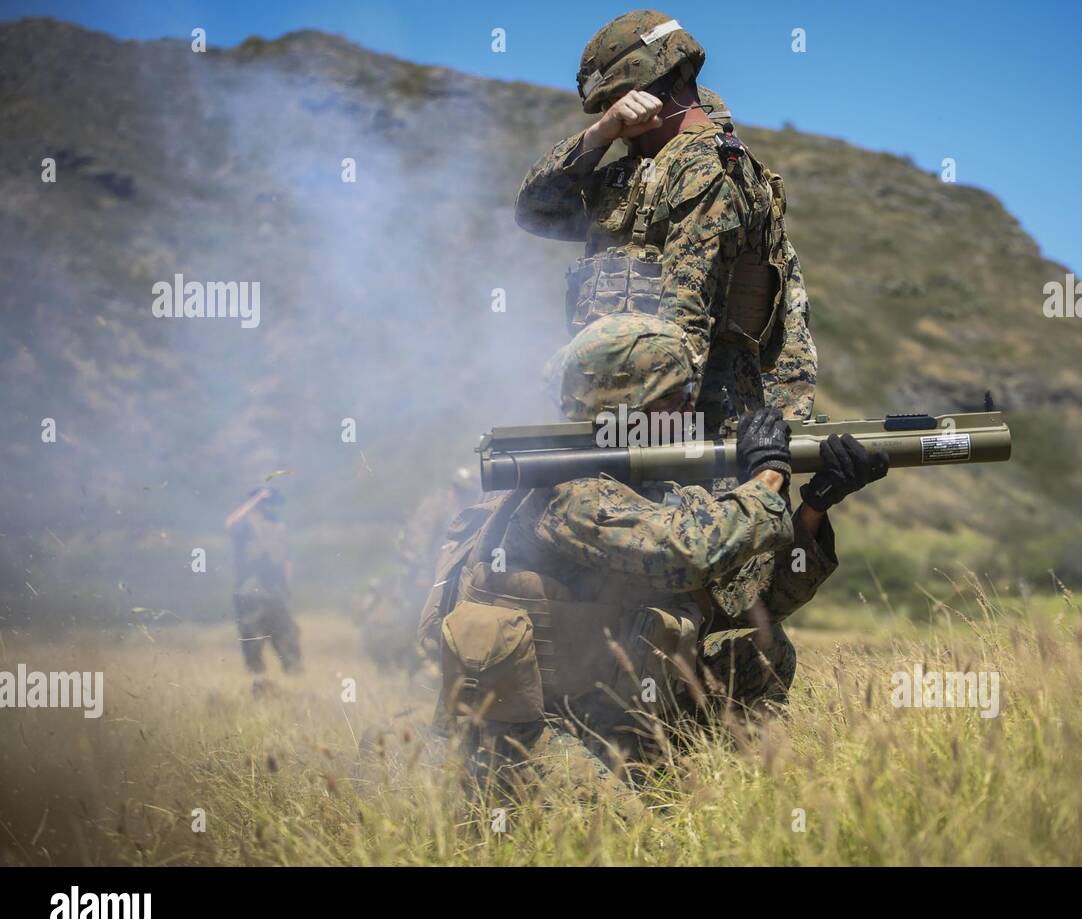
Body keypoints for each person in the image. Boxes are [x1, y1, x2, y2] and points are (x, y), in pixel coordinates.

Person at [419, 315, 886, 789]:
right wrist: (767, 477)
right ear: (624, 406)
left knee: (762, 652)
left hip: (607, 711)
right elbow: (689, 552)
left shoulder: (649, 490)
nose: (688, 412)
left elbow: (748, 606)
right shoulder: (570, 495)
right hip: (534, 732)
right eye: (673, 399)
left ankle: (706, 785)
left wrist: (815, 507)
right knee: (617, 837)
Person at [514, 10, 818, 437]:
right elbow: (534, 210)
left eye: (610, 101)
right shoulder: (638, 172)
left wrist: (648, 443)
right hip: (631, 421)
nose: (610, 114)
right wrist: (597, 136)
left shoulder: (705, 168)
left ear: (643, 89)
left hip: (687, 435)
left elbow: (686, 325)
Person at [356, 467, 479, 672]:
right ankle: (405, 667)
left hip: (450, 575)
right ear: (454, 489)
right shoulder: (434, 507)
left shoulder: (466, 509)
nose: (466, 496)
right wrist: (422, 575)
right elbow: (417, 543)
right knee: (419, 624)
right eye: (462, 491)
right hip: (425, 577)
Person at [225, 487, 301, 684]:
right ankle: (257, 683)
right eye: (266, 502)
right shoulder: (246, 524)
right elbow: (230, 523)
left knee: (287, 638)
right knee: (253, 640)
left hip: (276, 593)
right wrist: (255, 500)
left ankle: (295, 681)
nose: (271, 506)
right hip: (251, 592)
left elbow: (287, 560)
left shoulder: (279, 527)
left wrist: (288, 590)